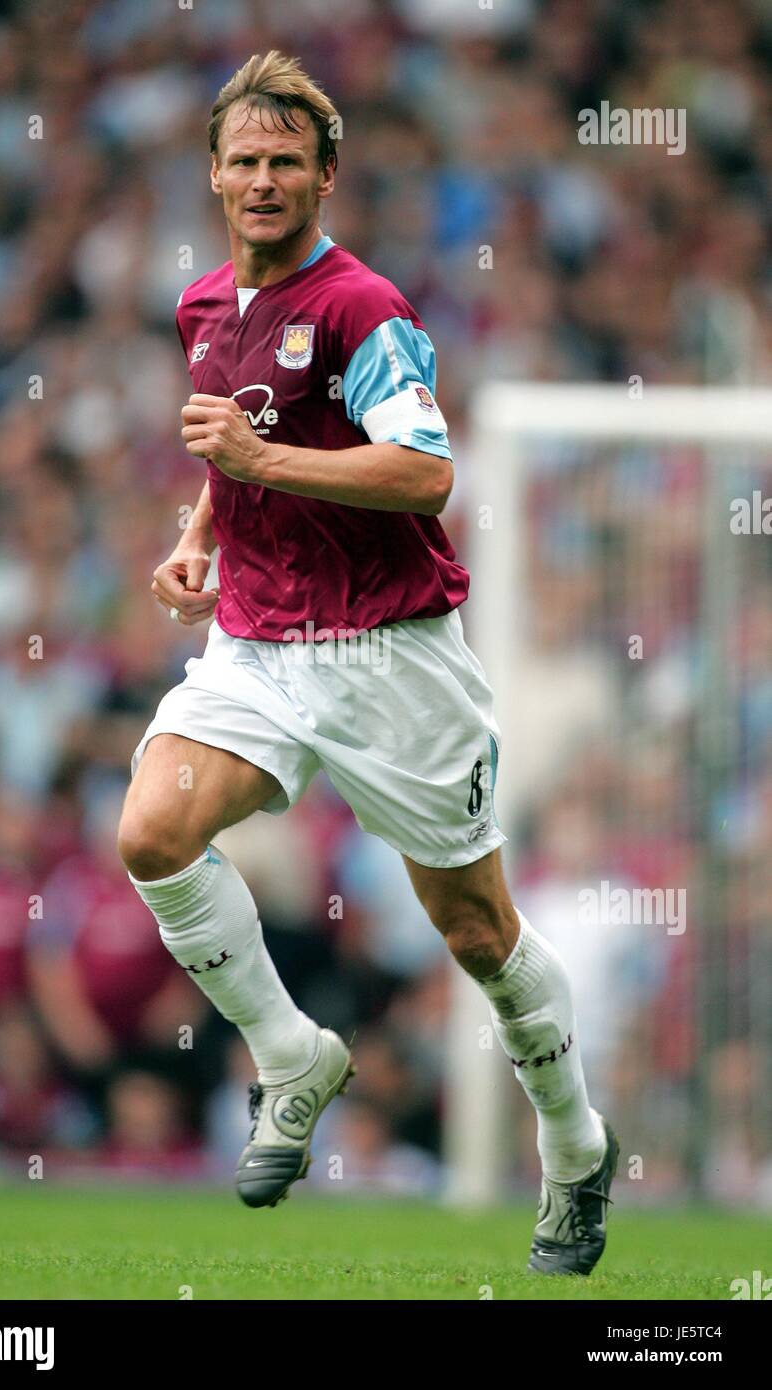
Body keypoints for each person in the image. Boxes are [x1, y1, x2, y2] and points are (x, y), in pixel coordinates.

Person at [117, 51, 618, 1274]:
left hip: (388, 658)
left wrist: (254, 463)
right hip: (256, 645)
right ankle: (292, 1056)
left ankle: (572, 1140)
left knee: (477, 934)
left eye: (287, 160)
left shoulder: (363, 309)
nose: (263, 179)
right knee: (150, 834)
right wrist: (195, 540)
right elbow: (233, 448)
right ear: (215, 174)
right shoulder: (200, 307)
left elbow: (423, 471)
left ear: (325, 176)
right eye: (244, 159)